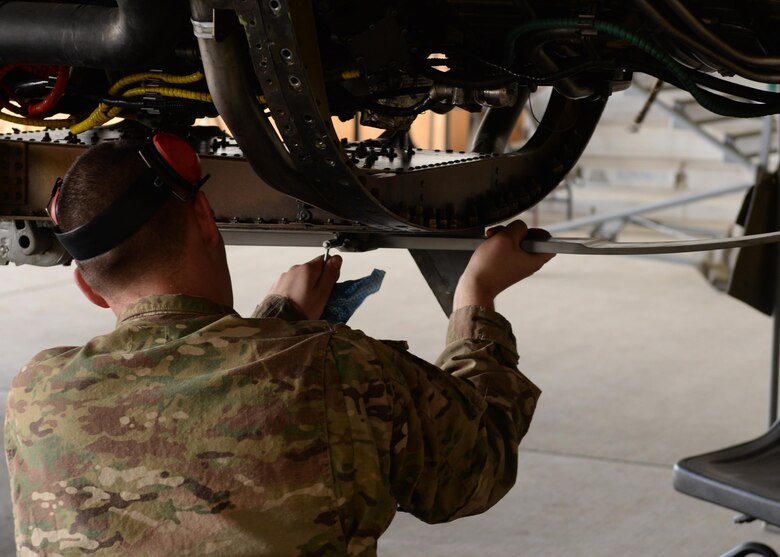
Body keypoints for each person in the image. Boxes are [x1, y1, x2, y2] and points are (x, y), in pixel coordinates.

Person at [5, 136, 555, 556]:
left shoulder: (35, 396)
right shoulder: (332, 367)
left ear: (87, 287)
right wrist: (476, 298)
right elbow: (477, 466)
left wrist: (277, 326)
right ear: (203, 217)